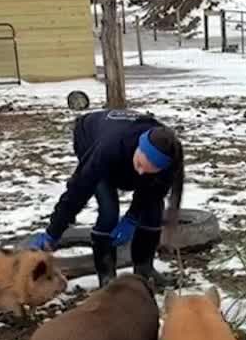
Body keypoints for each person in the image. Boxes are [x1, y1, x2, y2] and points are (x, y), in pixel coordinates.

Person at [29, 108, 185, 288]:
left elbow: (154, 192)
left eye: (149, 171)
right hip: (90, 136)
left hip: (123, 146)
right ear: (139, 147)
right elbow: (77, 191)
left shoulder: (170, 155)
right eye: (140, 165)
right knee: (109, 211)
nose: (141, 173)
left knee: (153, 209)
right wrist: (53, 232)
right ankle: (107, 276)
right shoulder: (108, 150)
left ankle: (144, 270)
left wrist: (132, 217)